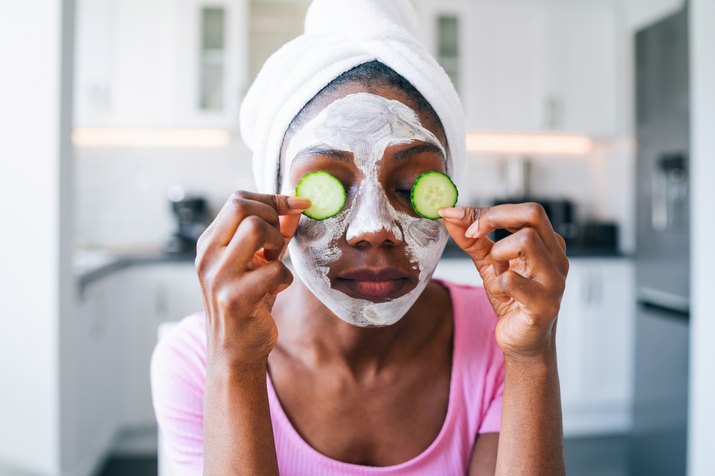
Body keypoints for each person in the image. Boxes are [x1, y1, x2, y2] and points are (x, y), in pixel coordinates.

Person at [151, 1, 568, 475]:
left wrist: (533, 358)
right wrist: (237, 365)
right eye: (329, 185)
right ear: (276, 199)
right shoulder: (196, 360)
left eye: (413, 187)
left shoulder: (501, 334)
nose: (375, 229)